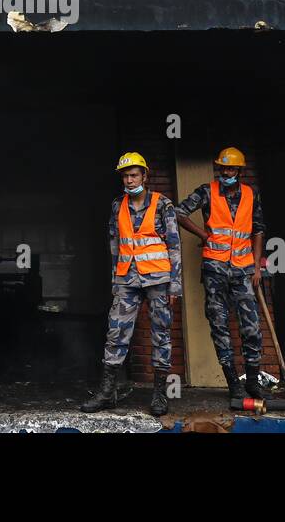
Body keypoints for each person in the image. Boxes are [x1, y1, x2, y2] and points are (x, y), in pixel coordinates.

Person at [80, 151, 182, 416]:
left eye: (134, 174)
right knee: (116, 334)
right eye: (125, 175)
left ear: (145, 176)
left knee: (161, 335)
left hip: (159, 279)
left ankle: (159, 395)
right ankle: (106, 393)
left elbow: (174, 245)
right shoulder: (117, 205)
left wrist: (175, 285)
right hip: (127, 279)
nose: (129, 180)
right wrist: (116, 279)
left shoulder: (163, 204)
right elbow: (114, 243)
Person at [175, 146, 266, 407]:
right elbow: (179, 212)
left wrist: (258, 266)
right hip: (215, 269)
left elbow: (258, 229)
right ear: (219, 169)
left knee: (251, 328)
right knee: (220, 326)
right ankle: (233, 385)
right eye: (223, 168)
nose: (227, 172)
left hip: (244, 269)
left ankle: (252, 381)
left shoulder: (251, 194)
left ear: (239, 171)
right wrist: (203, 236)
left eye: (231, 169)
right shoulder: (207, 191)